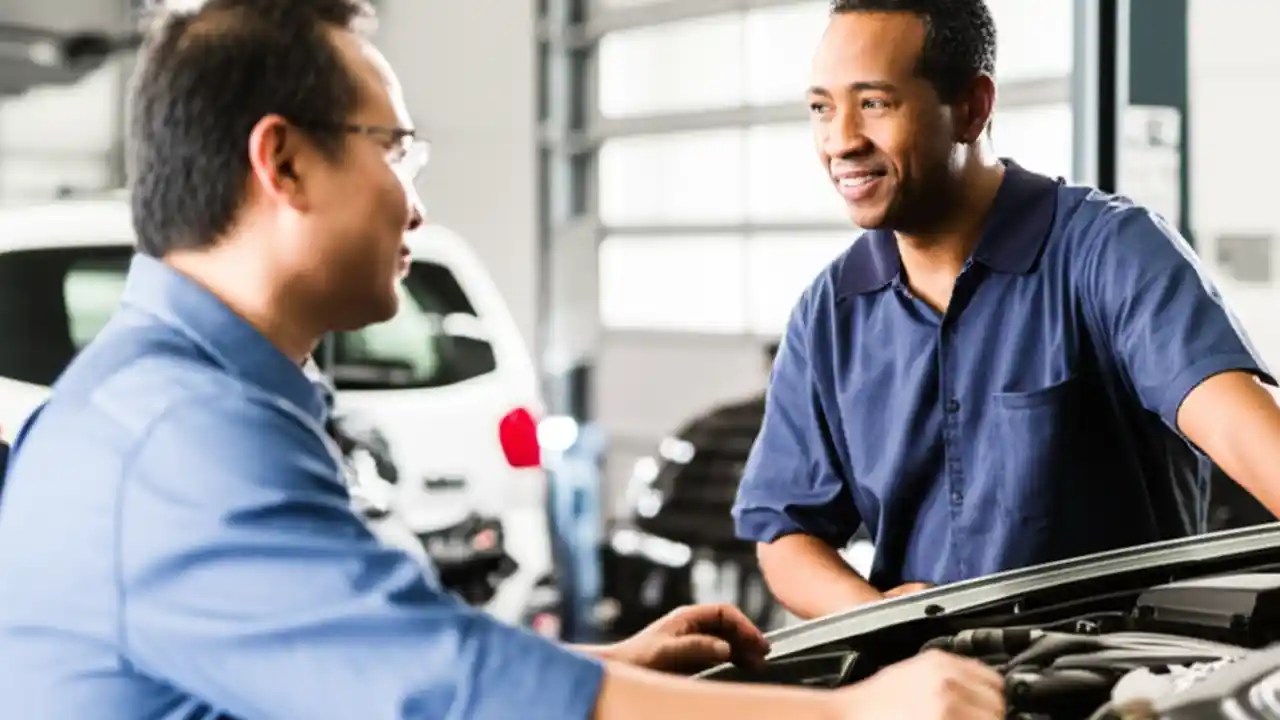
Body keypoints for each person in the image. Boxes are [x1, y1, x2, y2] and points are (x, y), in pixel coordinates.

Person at [0, 2, 1006, 719]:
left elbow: (359, 650)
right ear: (285, 162)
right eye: (396, 151)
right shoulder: (179, 437)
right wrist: (855, 716)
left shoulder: (186, 398)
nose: (416, 201)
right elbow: (437, 690)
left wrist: (604, 663)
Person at [733, 0, 1280, 621]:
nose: (841, 140)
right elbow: (784, 531)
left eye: (875, 103)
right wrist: (883, 617)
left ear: (971, 108)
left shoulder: (1110, 252)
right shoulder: (829, 314)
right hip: (928, 694)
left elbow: (1244, 428)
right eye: (821, 108)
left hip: (1121, 688)